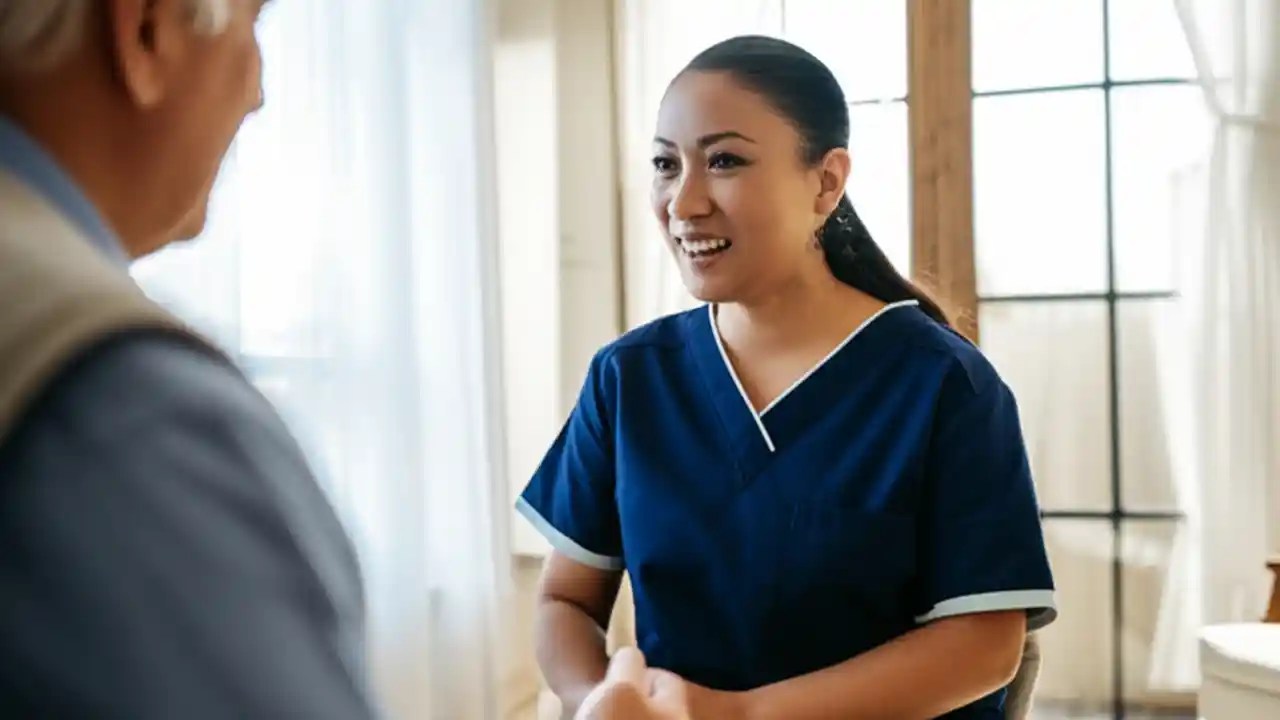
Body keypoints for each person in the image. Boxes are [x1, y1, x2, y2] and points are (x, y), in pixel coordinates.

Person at [519, 35, 1057, 719]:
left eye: (724, 161)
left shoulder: (945, 385)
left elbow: (985, 645)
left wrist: (738, 716)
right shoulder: (628, 379)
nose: (683, 202)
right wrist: (601, 698)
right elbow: (565, 600)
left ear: (826, 181)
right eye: (665, 163)